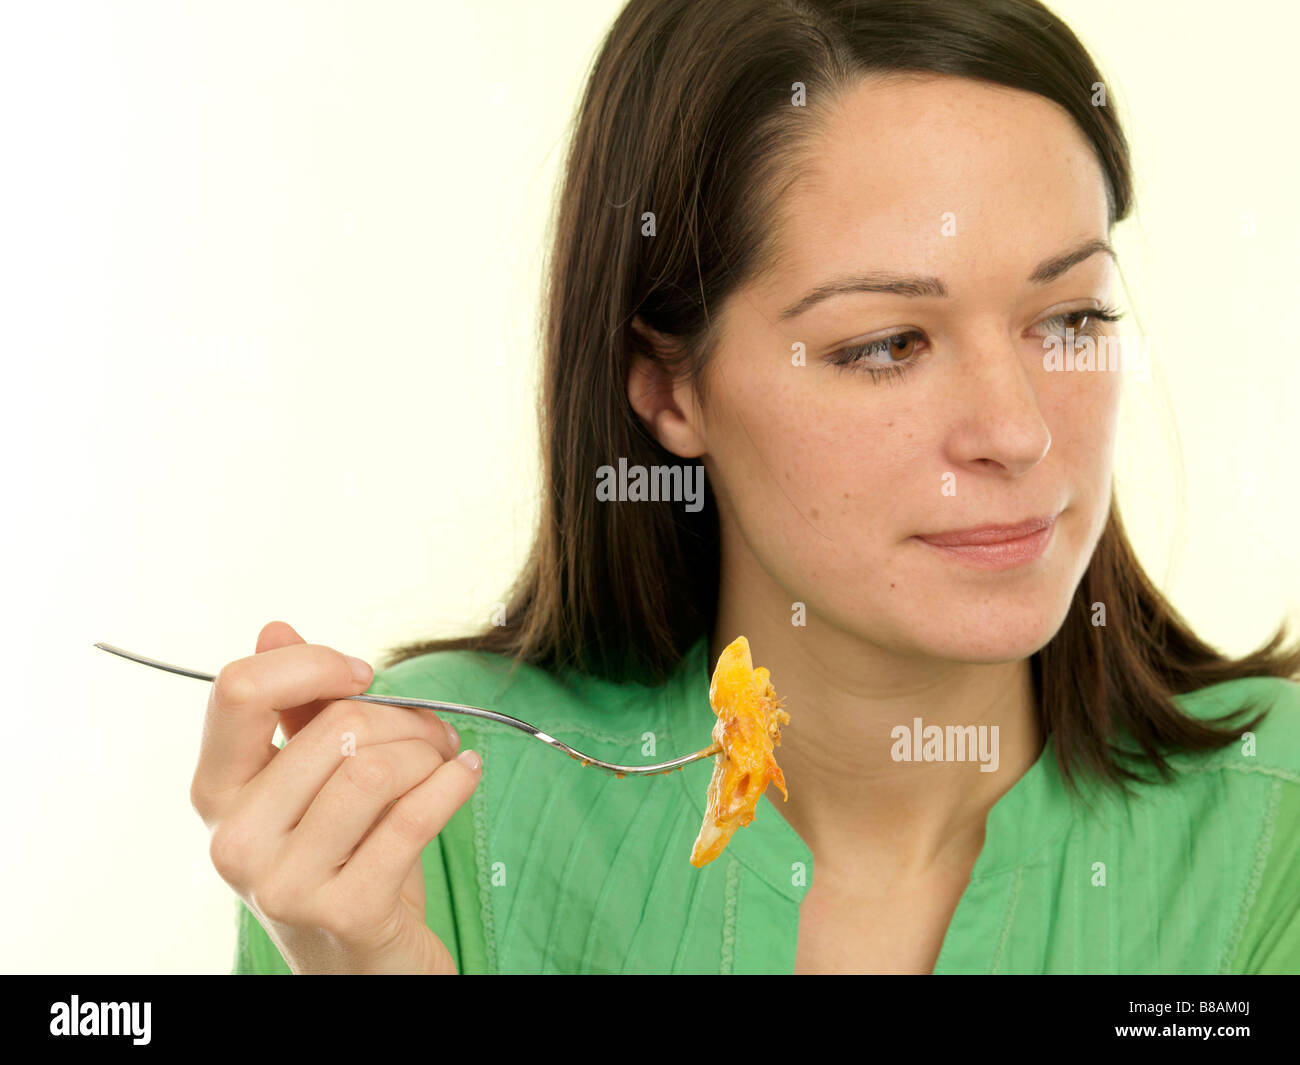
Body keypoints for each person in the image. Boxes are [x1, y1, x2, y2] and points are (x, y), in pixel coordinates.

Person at [192, 0, 1300, 975]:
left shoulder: (1275, 830)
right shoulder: (413, 837)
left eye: (1071, 319)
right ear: (668, 387)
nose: (1015, 433)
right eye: (885, 344)